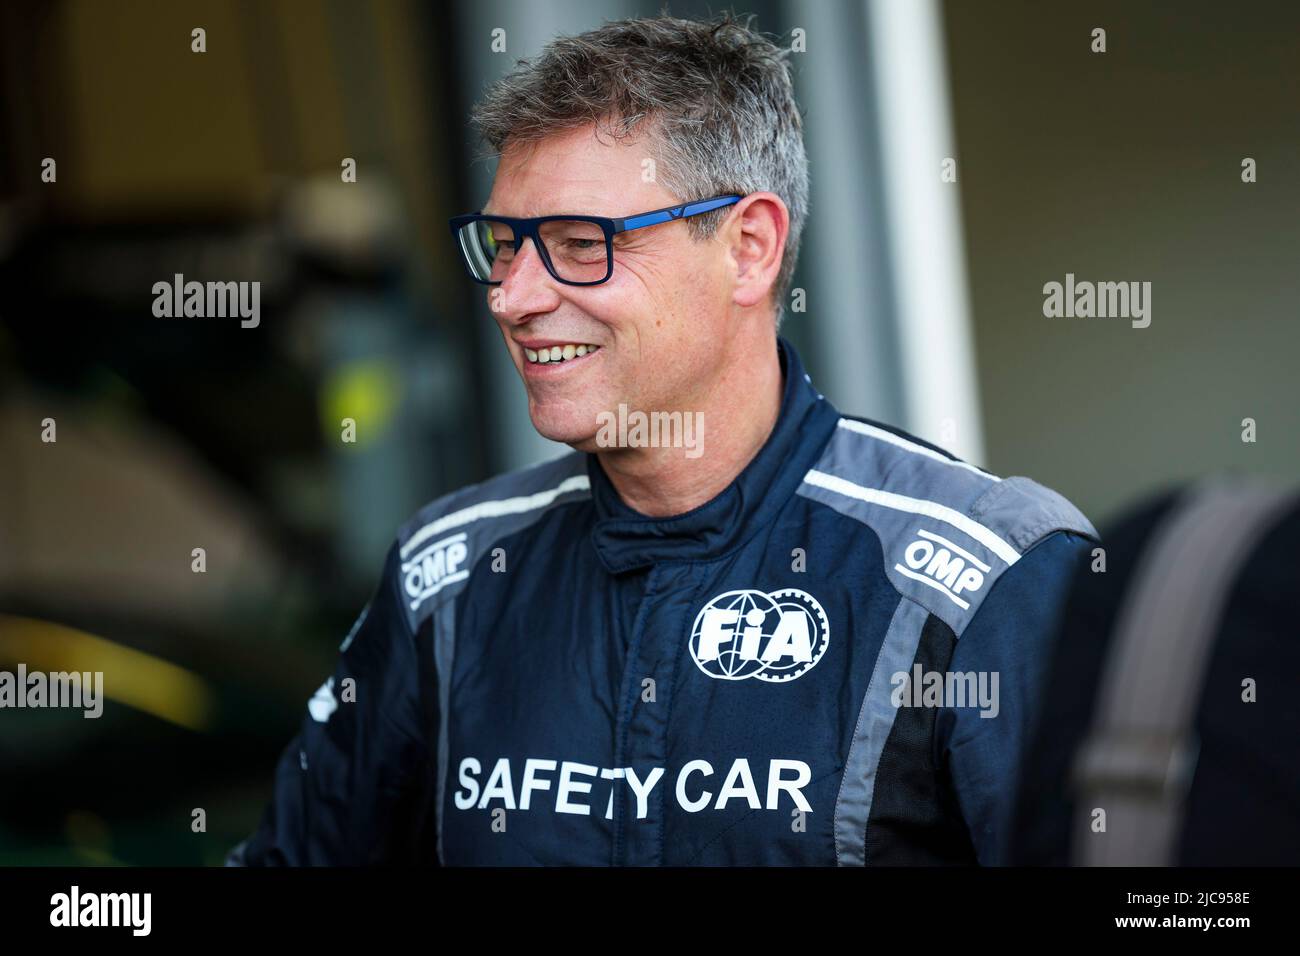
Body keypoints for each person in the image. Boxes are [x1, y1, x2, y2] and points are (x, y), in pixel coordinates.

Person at [228, 13, 1096, 866]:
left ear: (749, 248)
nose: (513, 297)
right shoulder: (449, 576)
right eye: (505, 245)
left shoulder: (984, 582)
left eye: (580, 244)